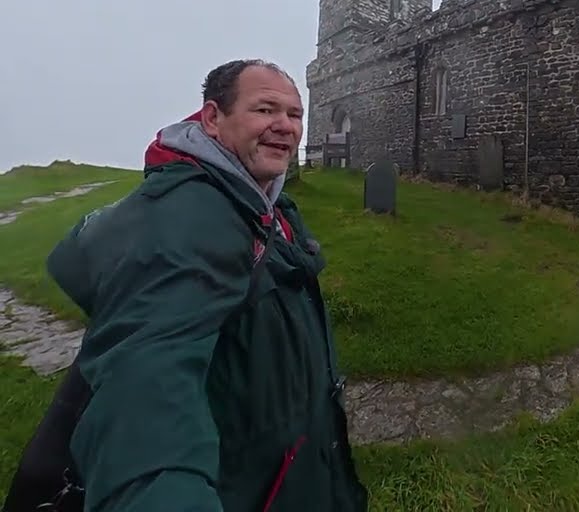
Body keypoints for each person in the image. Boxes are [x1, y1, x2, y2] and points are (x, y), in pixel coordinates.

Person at [14, 59, 368, 511]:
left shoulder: (263, 207)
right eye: (264, 110)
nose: (284, 126)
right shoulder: (185, 219)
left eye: (294, 115)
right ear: (212, 119)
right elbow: (147, 392)